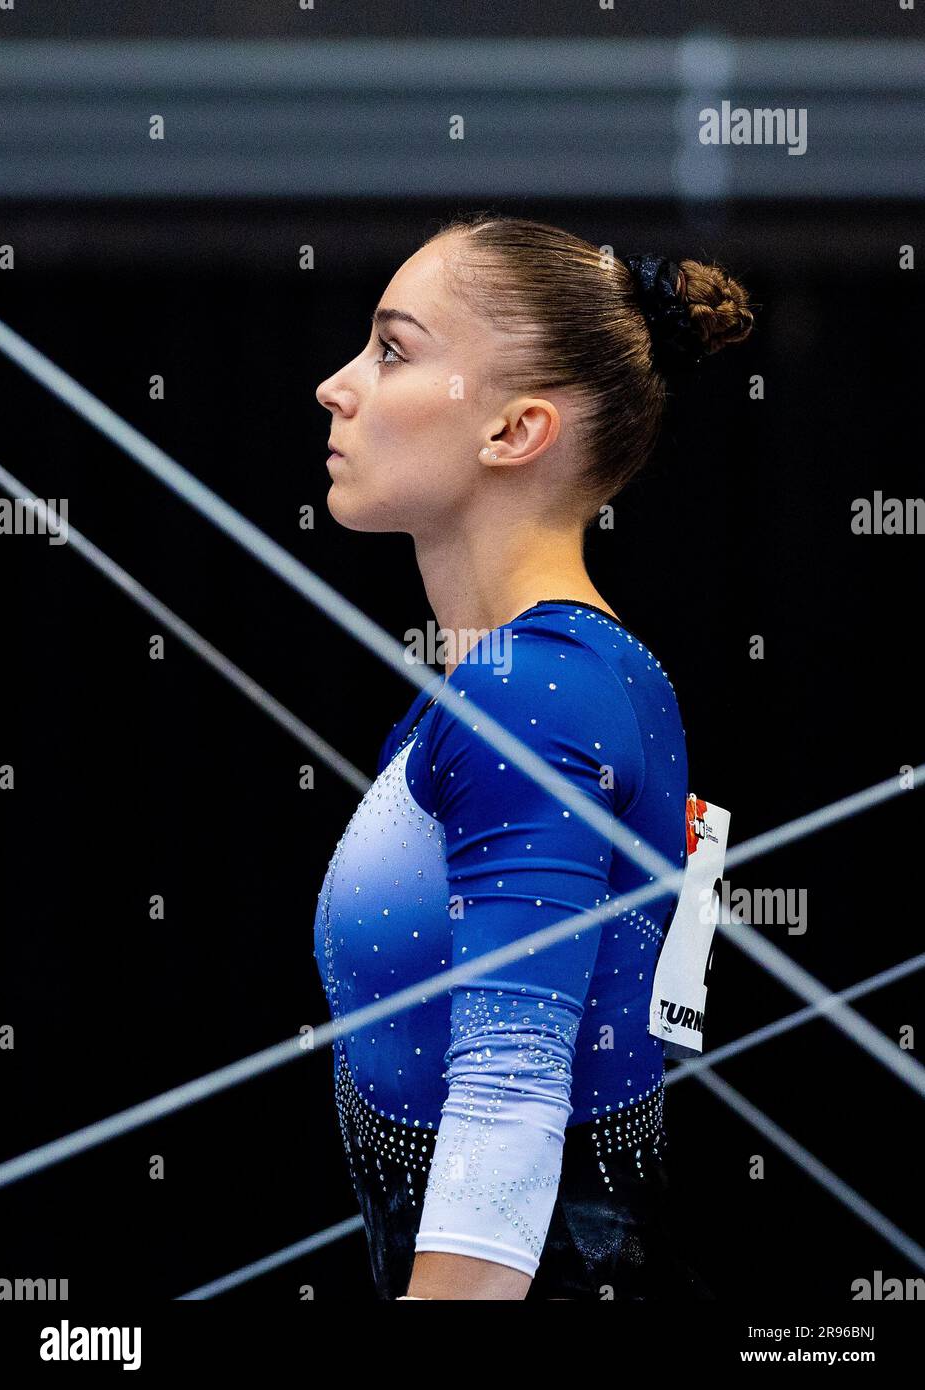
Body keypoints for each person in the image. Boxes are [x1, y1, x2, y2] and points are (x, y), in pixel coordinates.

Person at [313, 213, 754, 1300]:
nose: (337, 384)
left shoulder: (535, 695)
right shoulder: (566, 681)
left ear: (514, 430)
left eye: (392, 349)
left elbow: (509, 1105)